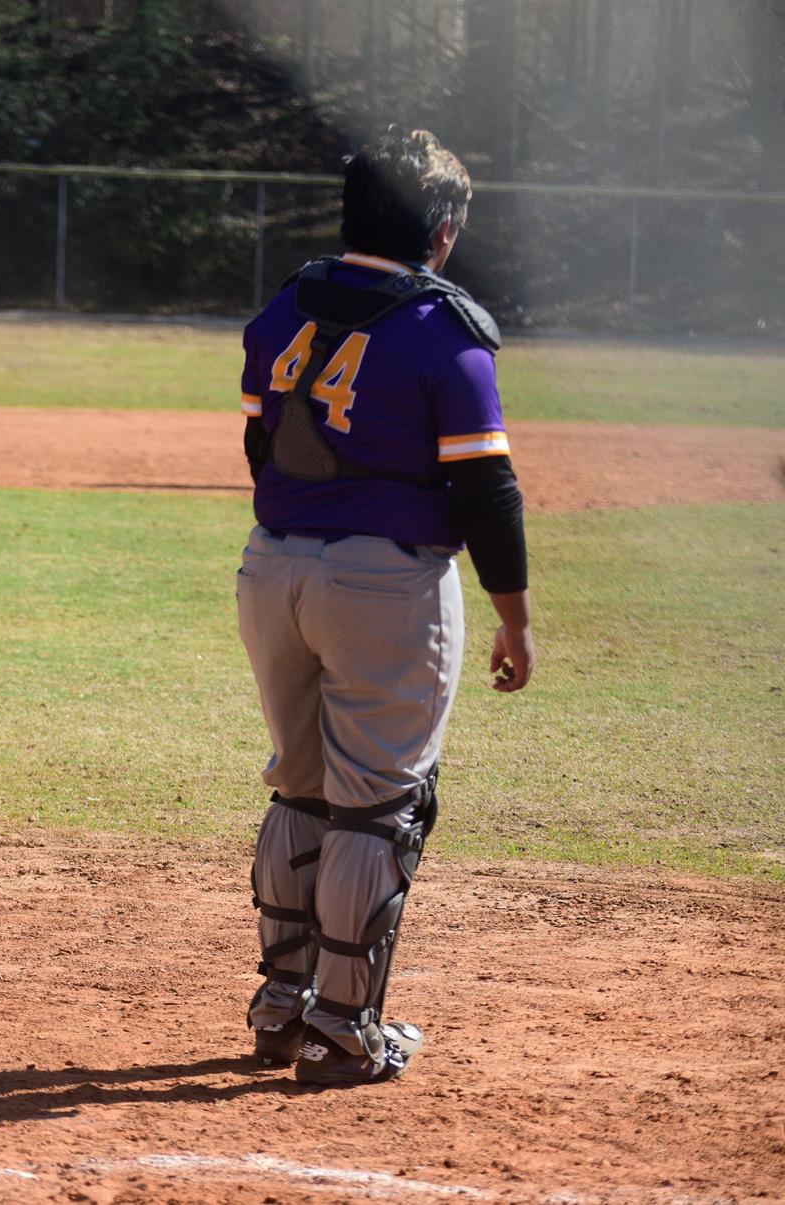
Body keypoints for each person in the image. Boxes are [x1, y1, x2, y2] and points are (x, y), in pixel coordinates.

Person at [236, 127, 534, 1087]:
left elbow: (261, 448)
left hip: (272, 567)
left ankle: (282, 1005)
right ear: (442, 232)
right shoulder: (444, 332)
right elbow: (486, 490)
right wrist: (514, 615)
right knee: (380, 802)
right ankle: (342, 1026)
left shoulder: (287, 305)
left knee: (302, 783)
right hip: (385, 579)